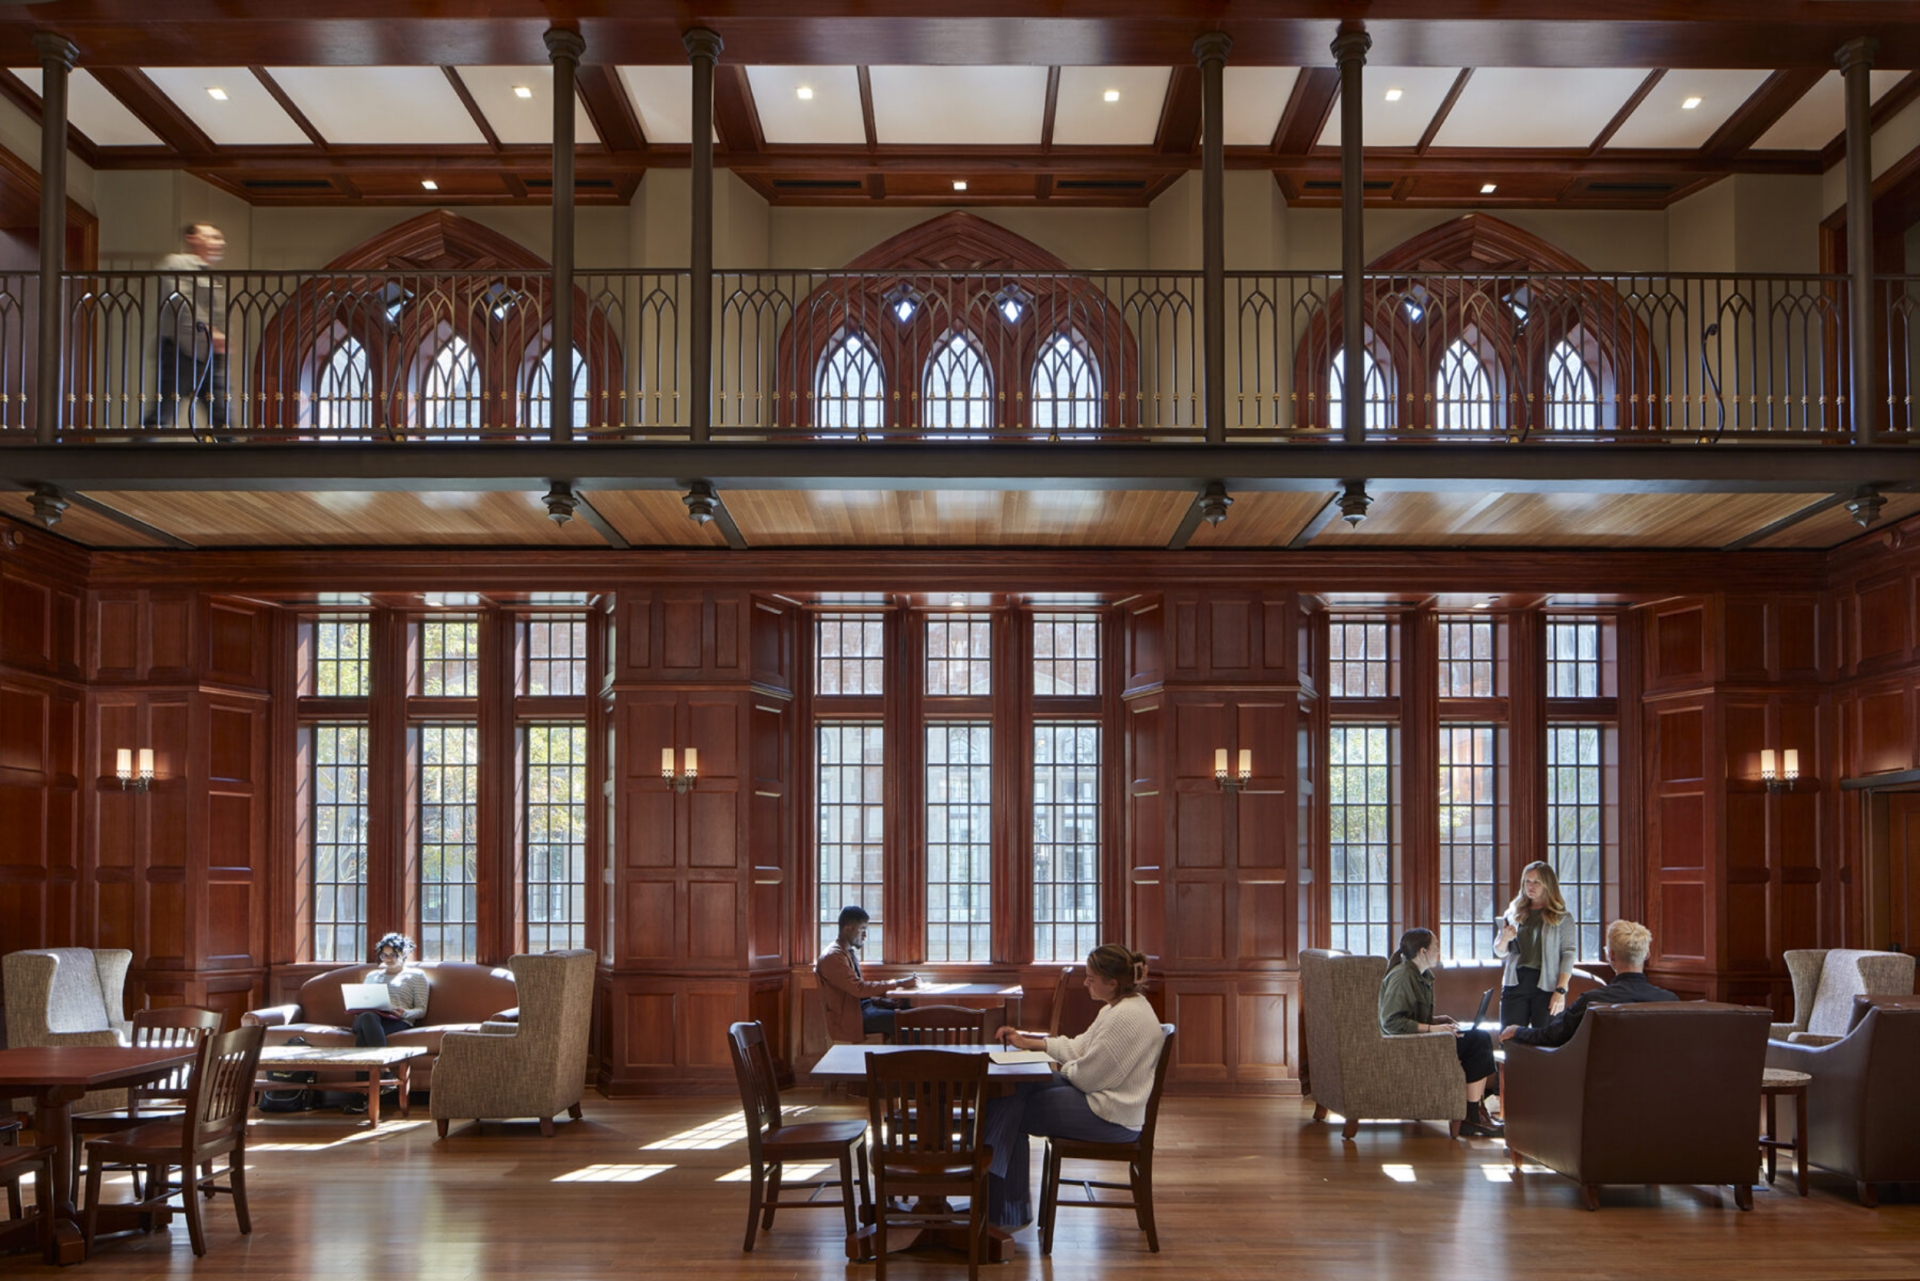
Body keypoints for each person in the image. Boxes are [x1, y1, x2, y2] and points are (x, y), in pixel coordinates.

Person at [981, 945, 1164, 1229]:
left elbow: (1086, 1077)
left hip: (1111, 1117)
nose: (1085, 983)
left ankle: (998, 1211)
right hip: (1103, 1101)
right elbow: (1079, 1047)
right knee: (1012, 1090)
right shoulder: (1119, 1008)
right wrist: (1029, 1043)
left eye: (1090, 978)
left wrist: (1065, 1068)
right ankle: (1000, 1210)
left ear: (1112, 982)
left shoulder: (1125, 1018)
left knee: (1009, 1105)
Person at [1378, 927, 1502, 1138]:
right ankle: (1472, 1115)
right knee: (1478, 1040)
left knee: (1478, 1039)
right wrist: (1432, 1028)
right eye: (1436, 947)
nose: (1439, 952)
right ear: (1422, 951)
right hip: (1407, 1046)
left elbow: (1412, 1016)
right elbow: (1391, 1023)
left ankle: (1474, 1111)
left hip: (1420, 1039)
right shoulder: (1401, 977)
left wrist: (1437, 1021)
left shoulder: (1422, 975)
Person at [1500, 919, 1674, 1049]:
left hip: (1602, 1090)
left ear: (1611, 955)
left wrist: (1517, 1031)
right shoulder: (1671, 1002)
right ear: (1647, 954)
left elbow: (1552, 1036)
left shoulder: (1591, 1002)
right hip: (1661, 1092)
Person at [144, 222, 229, 433]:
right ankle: (136, 457)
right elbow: (182, 301)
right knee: (164, 411)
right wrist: (209, 330)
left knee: (220, 414)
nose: (220, 243)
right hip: (180, 350)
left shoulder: (210, 273)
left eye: (219, 238)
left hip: (207, 352)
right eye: (212, 237)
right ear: (192, 239)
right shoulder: (177, 263)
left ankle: (229, 459)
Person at [344, 932, 429, 1115]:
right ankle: (385, 1070)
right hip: (368, 1017)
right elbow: (364, 1000)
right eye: (384, 955)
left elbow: (421, 1009)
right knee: (368, 1017)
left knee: (364, 1037)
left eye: (393, 955)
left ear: (403, 954)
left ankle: (361, 1098)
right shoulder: (372, 976)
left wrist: (404, 1012)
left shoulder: (416, 976)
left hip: (396, 1021)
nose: (388, 959)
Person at [1492, 860, 1578, 1031]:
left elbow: (1568, 954)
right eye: (1527, 881)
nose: (1530, 886)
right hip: (1515, 982)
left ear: (1548, 884)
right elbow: (1499, 952)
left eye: (1536, 882)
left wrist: (1561, 991)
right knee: (1510, 1039)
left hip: (1547, 984)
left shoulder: (1562, 917)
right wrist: (1504, 938)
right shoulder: (1513, 913)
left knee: (1547, 1040)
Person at [815, 905, 914, 1041]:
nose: (865, 935)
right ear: (848, 928)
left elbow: (857, 995)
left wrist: (885, 1001)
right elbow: (858, 989)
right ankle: (910, 1062)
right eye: (862, 930)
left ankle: (906, 1061)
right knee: (907, 1020)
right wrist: (897, 983)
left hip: (861, 1011)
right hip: (852, 1019)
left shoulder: (846, 953)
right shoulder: (833, 957)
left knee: (907, 1010)